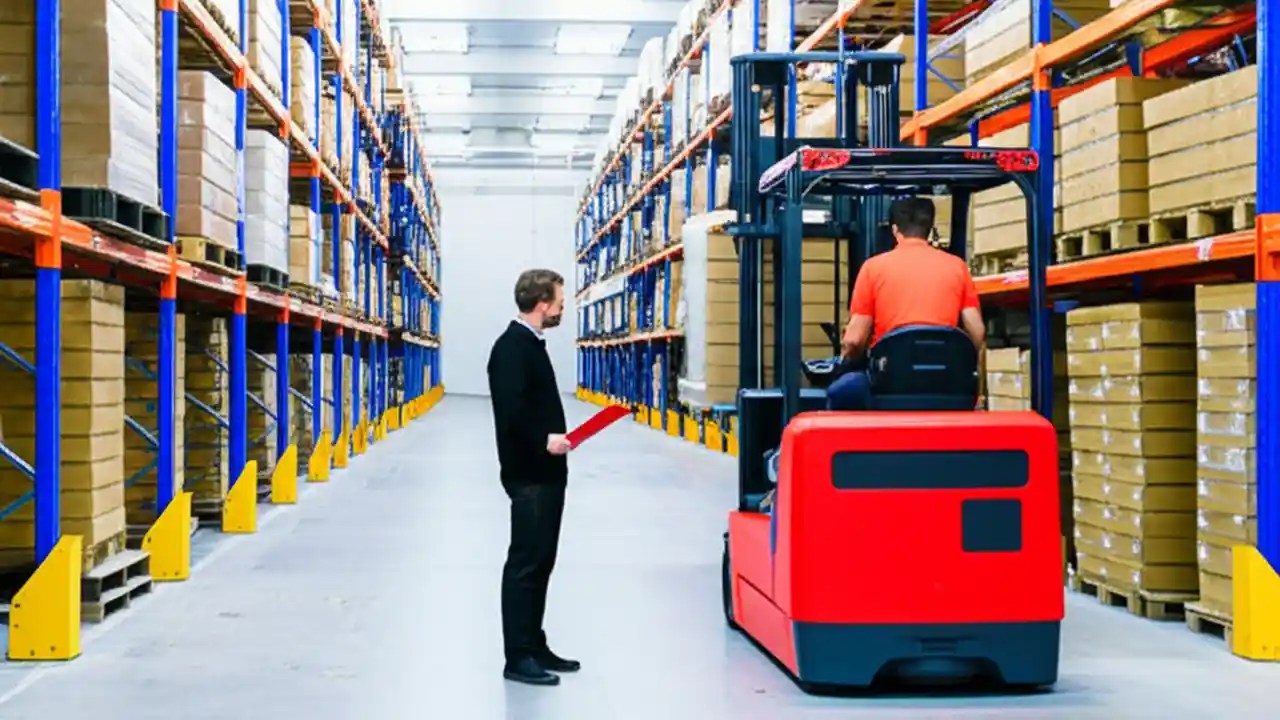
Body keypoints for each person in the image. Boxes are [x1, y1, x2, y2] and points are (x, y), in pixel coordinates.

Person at [486, 268, 580, 686]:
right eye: (559, 299)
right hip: (529, 475)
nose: (562, 306)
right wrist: (545, 441)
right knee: (526, 563)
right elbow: (511, 416)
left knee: (542, 561)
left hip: (546, 472)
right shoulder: (511, 348)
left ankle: (535, 643)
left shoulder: (531, 344)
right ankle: (517, 655)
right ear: (542, 302)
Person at [827, 197, 986, 410]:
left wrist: (845, 362)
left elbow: (854, 340)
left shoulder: (873, 268)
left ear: (894, 230)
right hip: (947, 385)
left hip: (890, 385)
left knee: (840, 391)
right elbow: (977, 333)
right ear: (929, 229)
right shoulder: (957, 267)